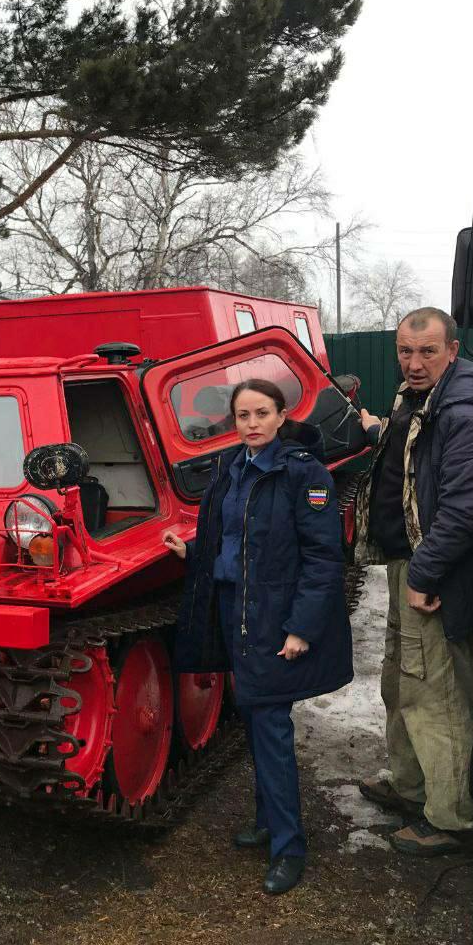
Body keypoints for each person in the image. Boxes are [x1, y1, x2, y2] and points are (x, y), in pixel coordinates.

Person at [166, 378, 353, 895]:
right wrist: (190, 550)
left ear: (280, 416)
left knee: (271, 727)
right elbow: (228, 534)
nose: (251, 424)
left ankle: (289, 847)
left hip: (273, 613)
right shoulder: (232, 466)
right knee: (251, 716)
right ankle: (269, 822)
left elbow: (322, 557)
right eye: (243, 415)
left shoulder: (302, 473)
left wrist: (301, 628)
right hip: (233, 606)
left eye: (261, 414)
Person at [354, 307, 473, 856]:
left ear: (453, 350)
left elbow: (467, 505)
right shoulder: (417, 400)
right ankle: (410, 786)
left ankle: (451, 818)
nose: (414, 362)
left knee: (437, 692)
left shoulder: (465, 413)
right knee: (401, 682)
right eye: (405, 350)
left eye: (427, 351)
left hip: (437, 569)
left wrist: (425, 574)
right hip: (411, 559)